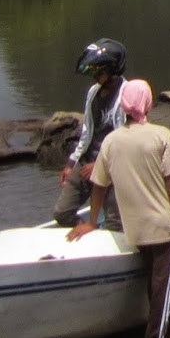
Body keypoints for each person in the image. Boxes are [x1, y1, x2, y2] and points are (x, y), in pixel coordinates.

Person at [66, 78, 170, 338]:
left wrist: (91, 220)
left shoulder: (111, 141)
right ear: (147, 104)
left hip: (132, 227)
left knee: (159, 280)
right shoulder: (161, 136)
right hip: (161, 226)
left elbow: (98, 185)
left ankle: (168, 325)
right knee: (167, 283)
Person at [53, 38, 128, 229]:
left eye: (99, 71)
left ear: (111, 69)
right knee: (62, 212)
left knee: (114, 221)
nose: (95, 76)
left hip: (112, 165)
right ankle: (89, 231)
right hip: (88, 161)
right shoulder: (94, 92)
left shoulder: (126, 94)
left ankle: (108, 241)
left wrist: (101, 164)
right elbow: (87, 131)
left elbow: (124, 140)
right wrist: (72, 162)